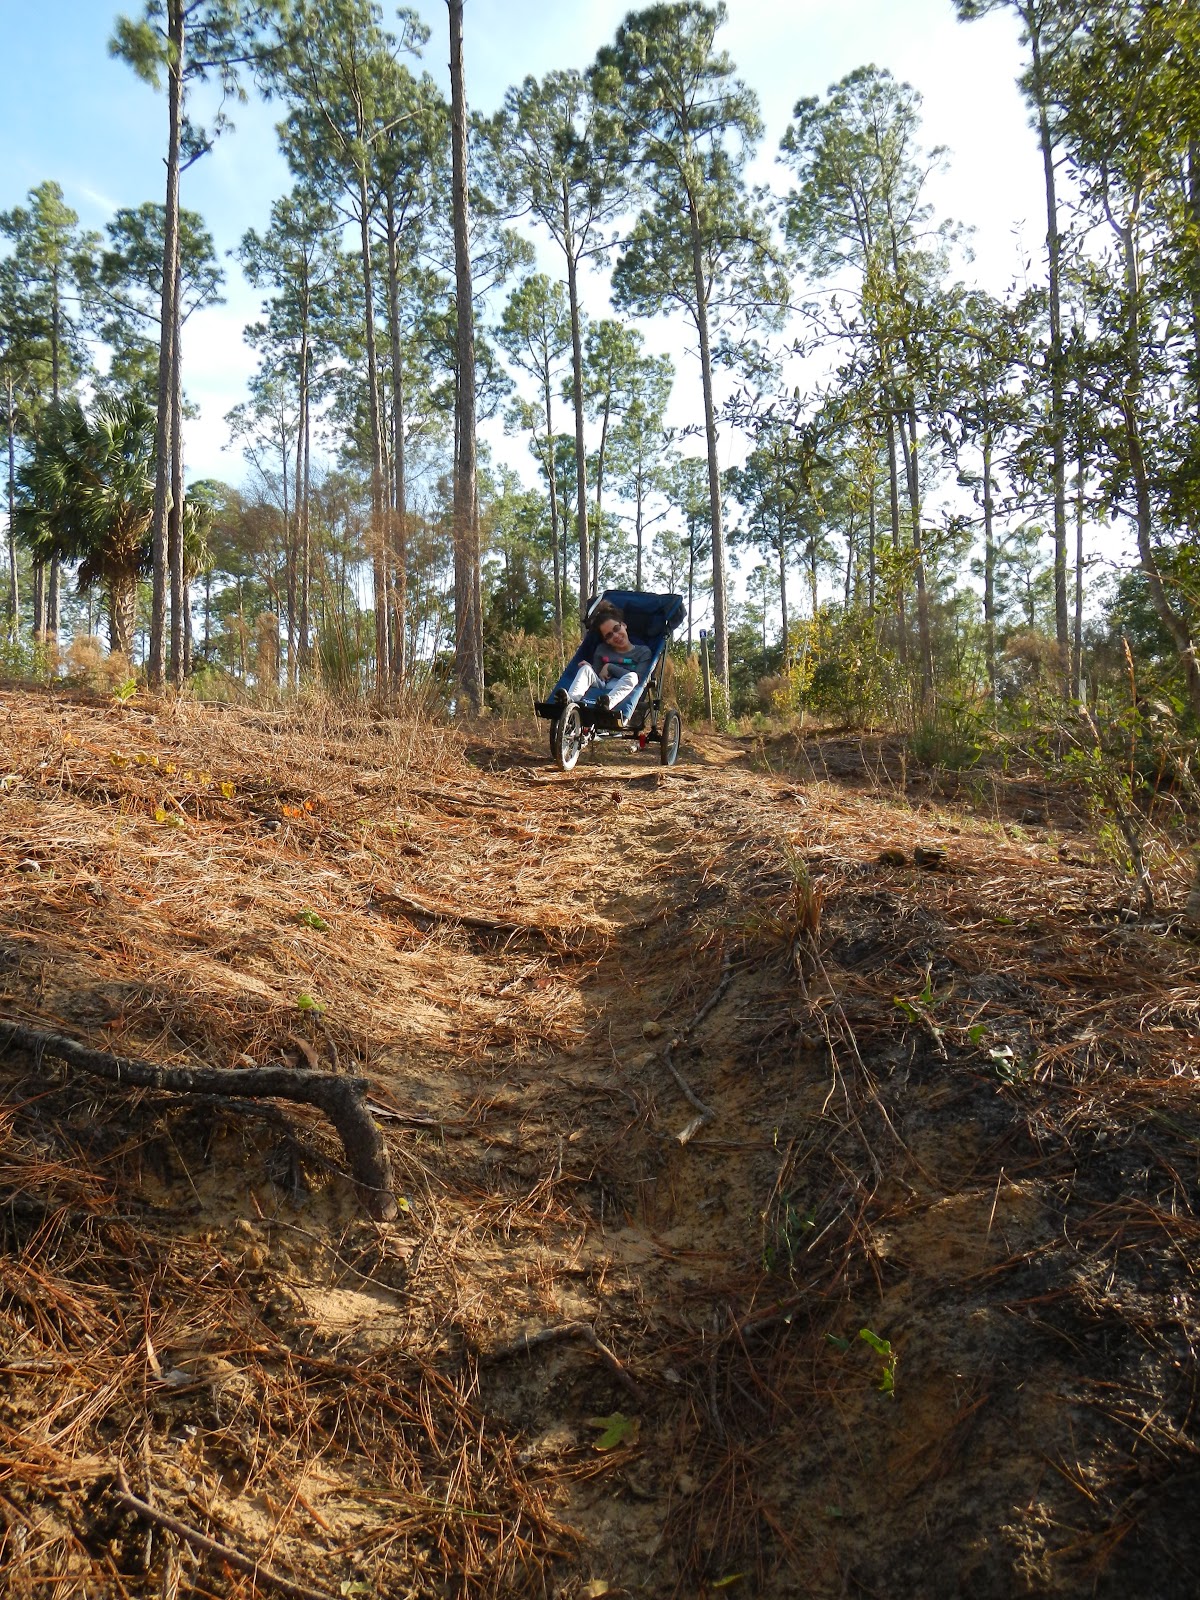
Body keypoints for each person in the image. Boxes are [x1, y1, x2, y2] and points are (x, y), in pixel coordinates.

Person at [550, 602, 652, 719]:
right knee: (585, 669)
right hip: (602, 685)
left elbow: (639, 680)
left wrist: (609, 667)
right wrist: (590, 668)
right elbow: (597, 673)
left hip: (623, 689)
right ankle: (571, 700)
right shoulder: (602, 650)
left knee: (633, 677)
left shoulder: (643, 652)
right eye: (609, 635)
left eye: (617, 628)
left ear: (624, 625)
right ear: (606, 640)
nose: (616, 636)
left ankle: (608, 704)